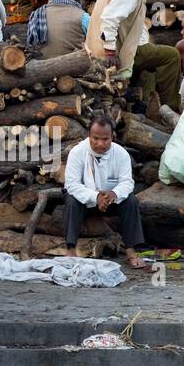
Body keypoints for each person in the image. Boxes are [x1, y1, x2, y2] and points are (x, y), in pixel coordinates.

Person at [86, 0, 182, 112]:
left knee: (150, 68)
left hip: (100, 48)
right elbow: (109, 18)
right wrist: (110, 51)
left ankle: (145, 106)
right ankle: (170, 109)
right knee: (172, 56)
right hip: (110, 52)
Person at [63, 116, 150, 271]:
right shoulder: (77, 152)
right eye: (95, 138)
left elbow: (127, 182)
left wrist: (114, 194)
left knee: (130, 201)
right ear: (89, 136)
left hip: (111, 201)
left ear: (112, 137)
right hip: (86, 202)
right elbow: (72, 184)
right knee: (71, 200)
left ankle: (131, 251)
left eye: (105, 139)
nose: (100, 143)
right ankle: (70, 250)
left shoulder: (121, 154)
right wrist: (95, 197)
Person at [26, 0, 90, 58]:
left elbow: (30, 45)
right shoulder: (83, 16)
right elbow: (96, 43)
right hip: (75, 68)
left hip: (42, 67)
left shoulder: (36, 15)